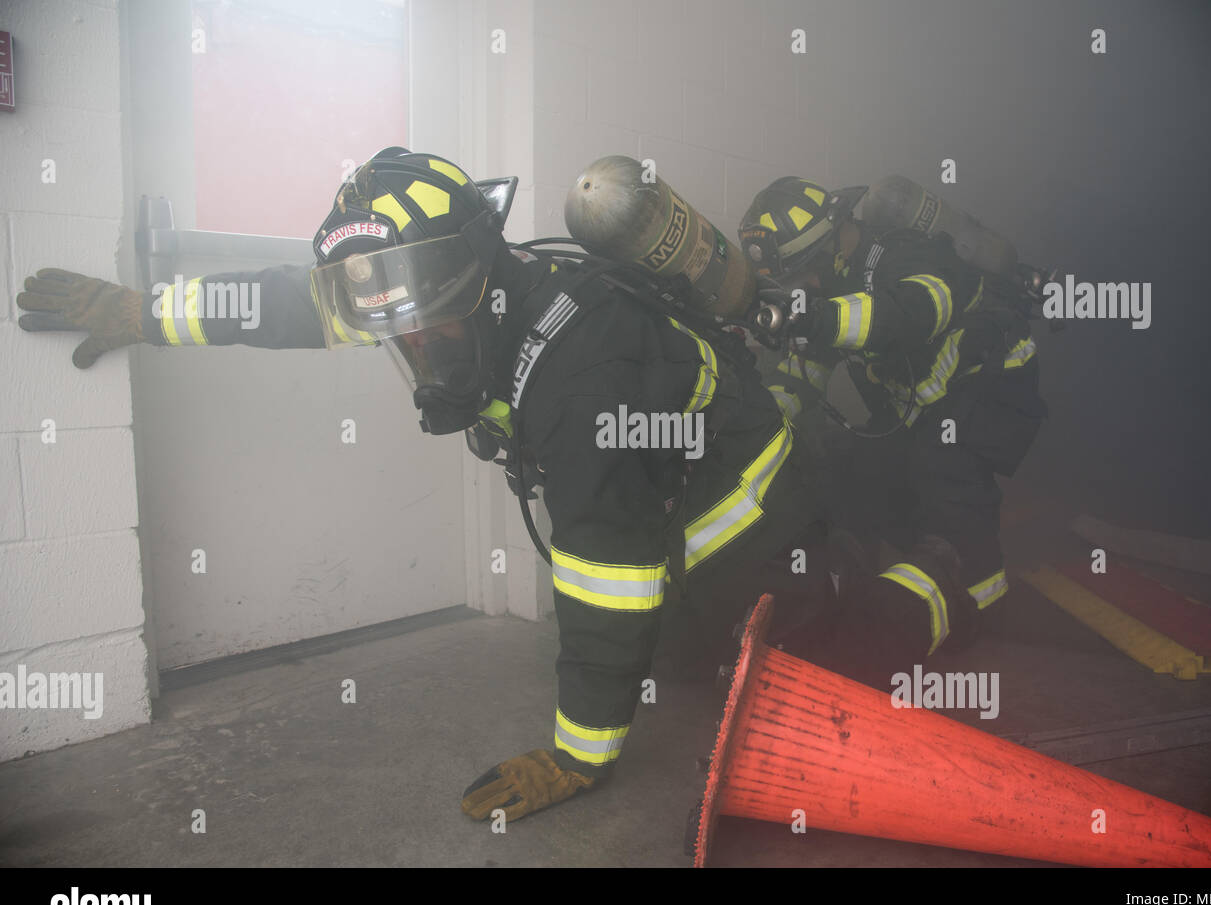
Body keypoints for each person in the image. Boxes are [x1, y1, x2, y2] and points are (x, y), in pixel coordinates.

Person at [17, 149, 833, 823]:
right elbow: (286, 307)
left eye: (421, 315)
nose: (410, 338)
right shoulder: (437, 286)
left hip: (742, 488)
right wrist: (142, 310)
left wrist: (579, 755)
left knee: (733, 644)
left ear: (480, 273)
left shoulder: (583, 370)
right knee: (675, 654)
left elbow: (606, 567)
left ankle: (835, 589)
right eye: (385, 316)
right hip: (656, 477)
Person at [739, 176, 1047, 676]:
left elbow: (910, 313)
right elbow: (803, 377)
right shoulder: (831, 288)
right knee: (847, 463)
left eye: (805, 273)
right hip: (922, 404)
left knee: (942, 468)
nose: (807, 288)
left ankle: (982, 604)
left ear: (831, 242)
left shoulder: (905, 254)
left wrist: (814, 317)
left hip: (990, 385)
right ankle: (888, 570)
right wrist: (757, 425)